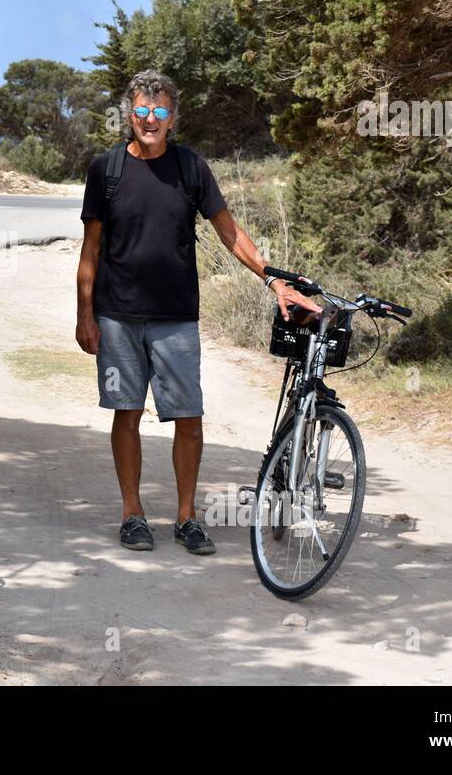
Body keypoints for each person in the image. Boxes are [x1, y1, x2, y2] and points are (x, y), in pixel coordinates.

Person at [75, 70, 319, 553]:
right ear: (130, 115)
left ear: (173, 117)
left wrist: (273, 278)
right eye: (142, 110)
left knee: (189, 417)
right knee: (127, 413)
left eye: (160, 111)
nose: (150, 119)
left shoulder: (190, 168)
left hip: (177, 317)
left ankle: (187, 518)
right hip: (118, 316)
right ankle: (133, 514)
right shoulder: (106, 170)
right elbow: (91, 249)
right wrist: (85, 314)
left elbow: (231, 234)